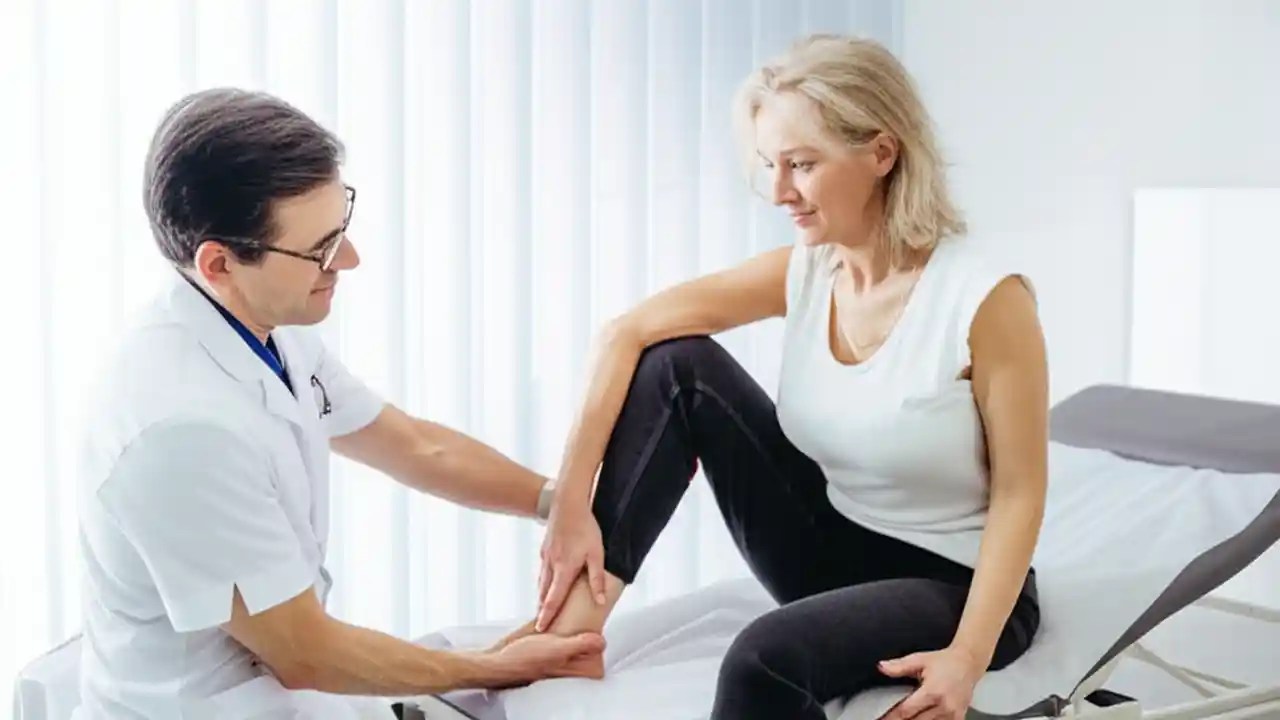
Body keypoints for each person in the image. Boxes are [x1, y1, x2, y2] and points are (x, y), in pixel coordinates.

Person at [523, 34, 1047, 720]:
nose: (778, 192)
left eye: (801, 164)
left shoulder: (984, 300)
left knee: (761, 659)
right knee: (679, 366)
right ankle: (569, 637)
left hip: (950, 582)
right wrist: (568, 505)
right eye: (770, 165)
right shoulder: (807, 272)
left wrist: (967, 657)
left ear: (882, 154)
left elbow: (1020, 492)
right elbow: (625, 332)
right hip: (828, 545)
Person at [74, 88, 603, 719]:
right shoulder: (177, 430)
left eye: (342, 229)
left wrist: (561, 503)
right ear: (219, 263)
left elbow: (414, 446)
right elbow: (306, 655)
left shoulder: (268, 326)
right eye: (321, 248)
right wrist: (492, 667)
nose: (348, 260)